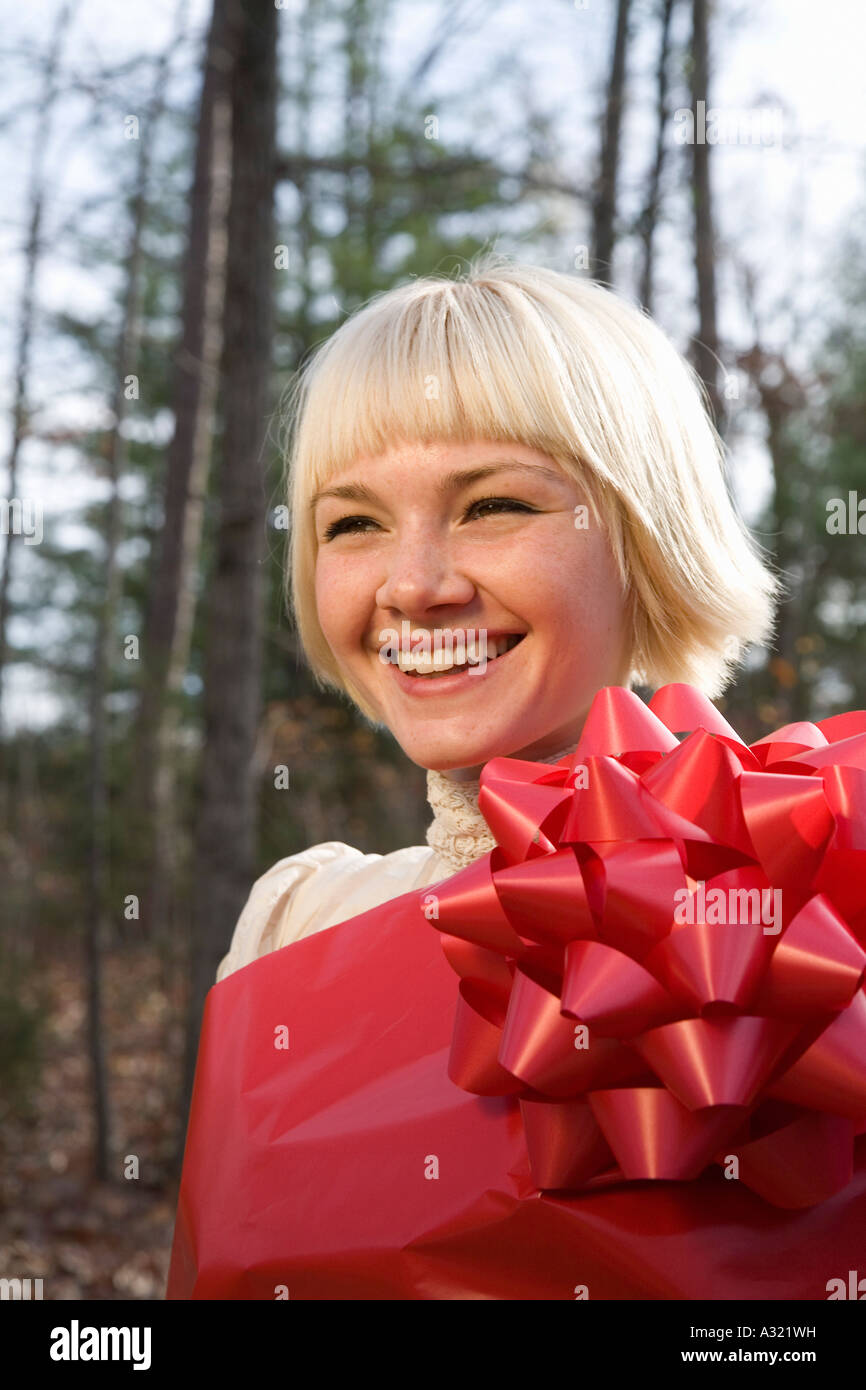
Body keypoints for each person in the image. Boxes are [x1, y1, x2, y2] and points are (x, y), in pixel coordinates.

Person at [215, 252, 778, 984]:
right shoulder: (292, 927)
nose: (414, 587)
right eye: (355, 523)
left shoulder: (800, 898)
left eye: (494, 506)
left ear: (651, 542)